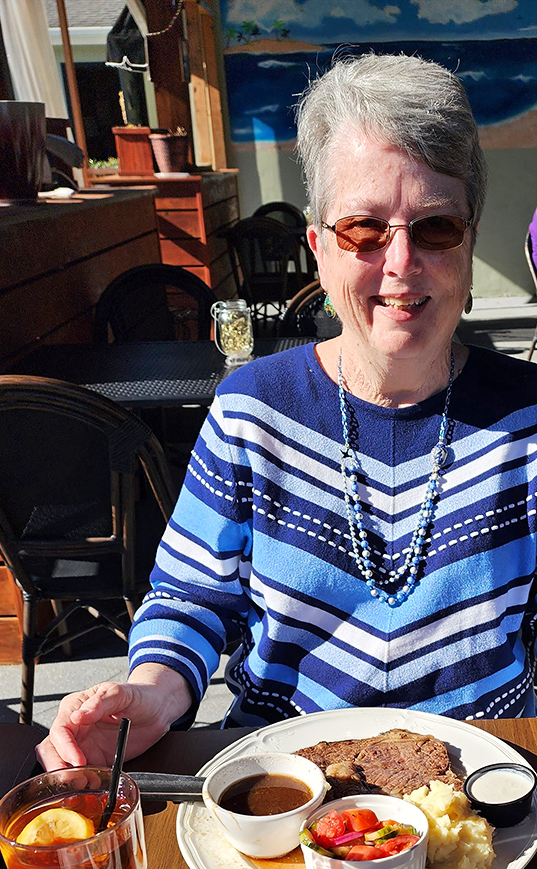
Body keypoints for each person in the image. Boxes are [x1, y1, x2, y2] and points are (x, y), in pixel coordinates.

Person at [37, 52, 537, 772]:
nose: (400, 261)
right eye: (364, 228)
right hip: (286, 789)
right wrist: (152, 690)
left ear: (468, 240)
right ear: (318, 250)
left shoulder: (527, 421)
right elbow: (189, 598)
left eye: (434, 227)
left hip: (483, 794)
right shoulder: (251, 412)